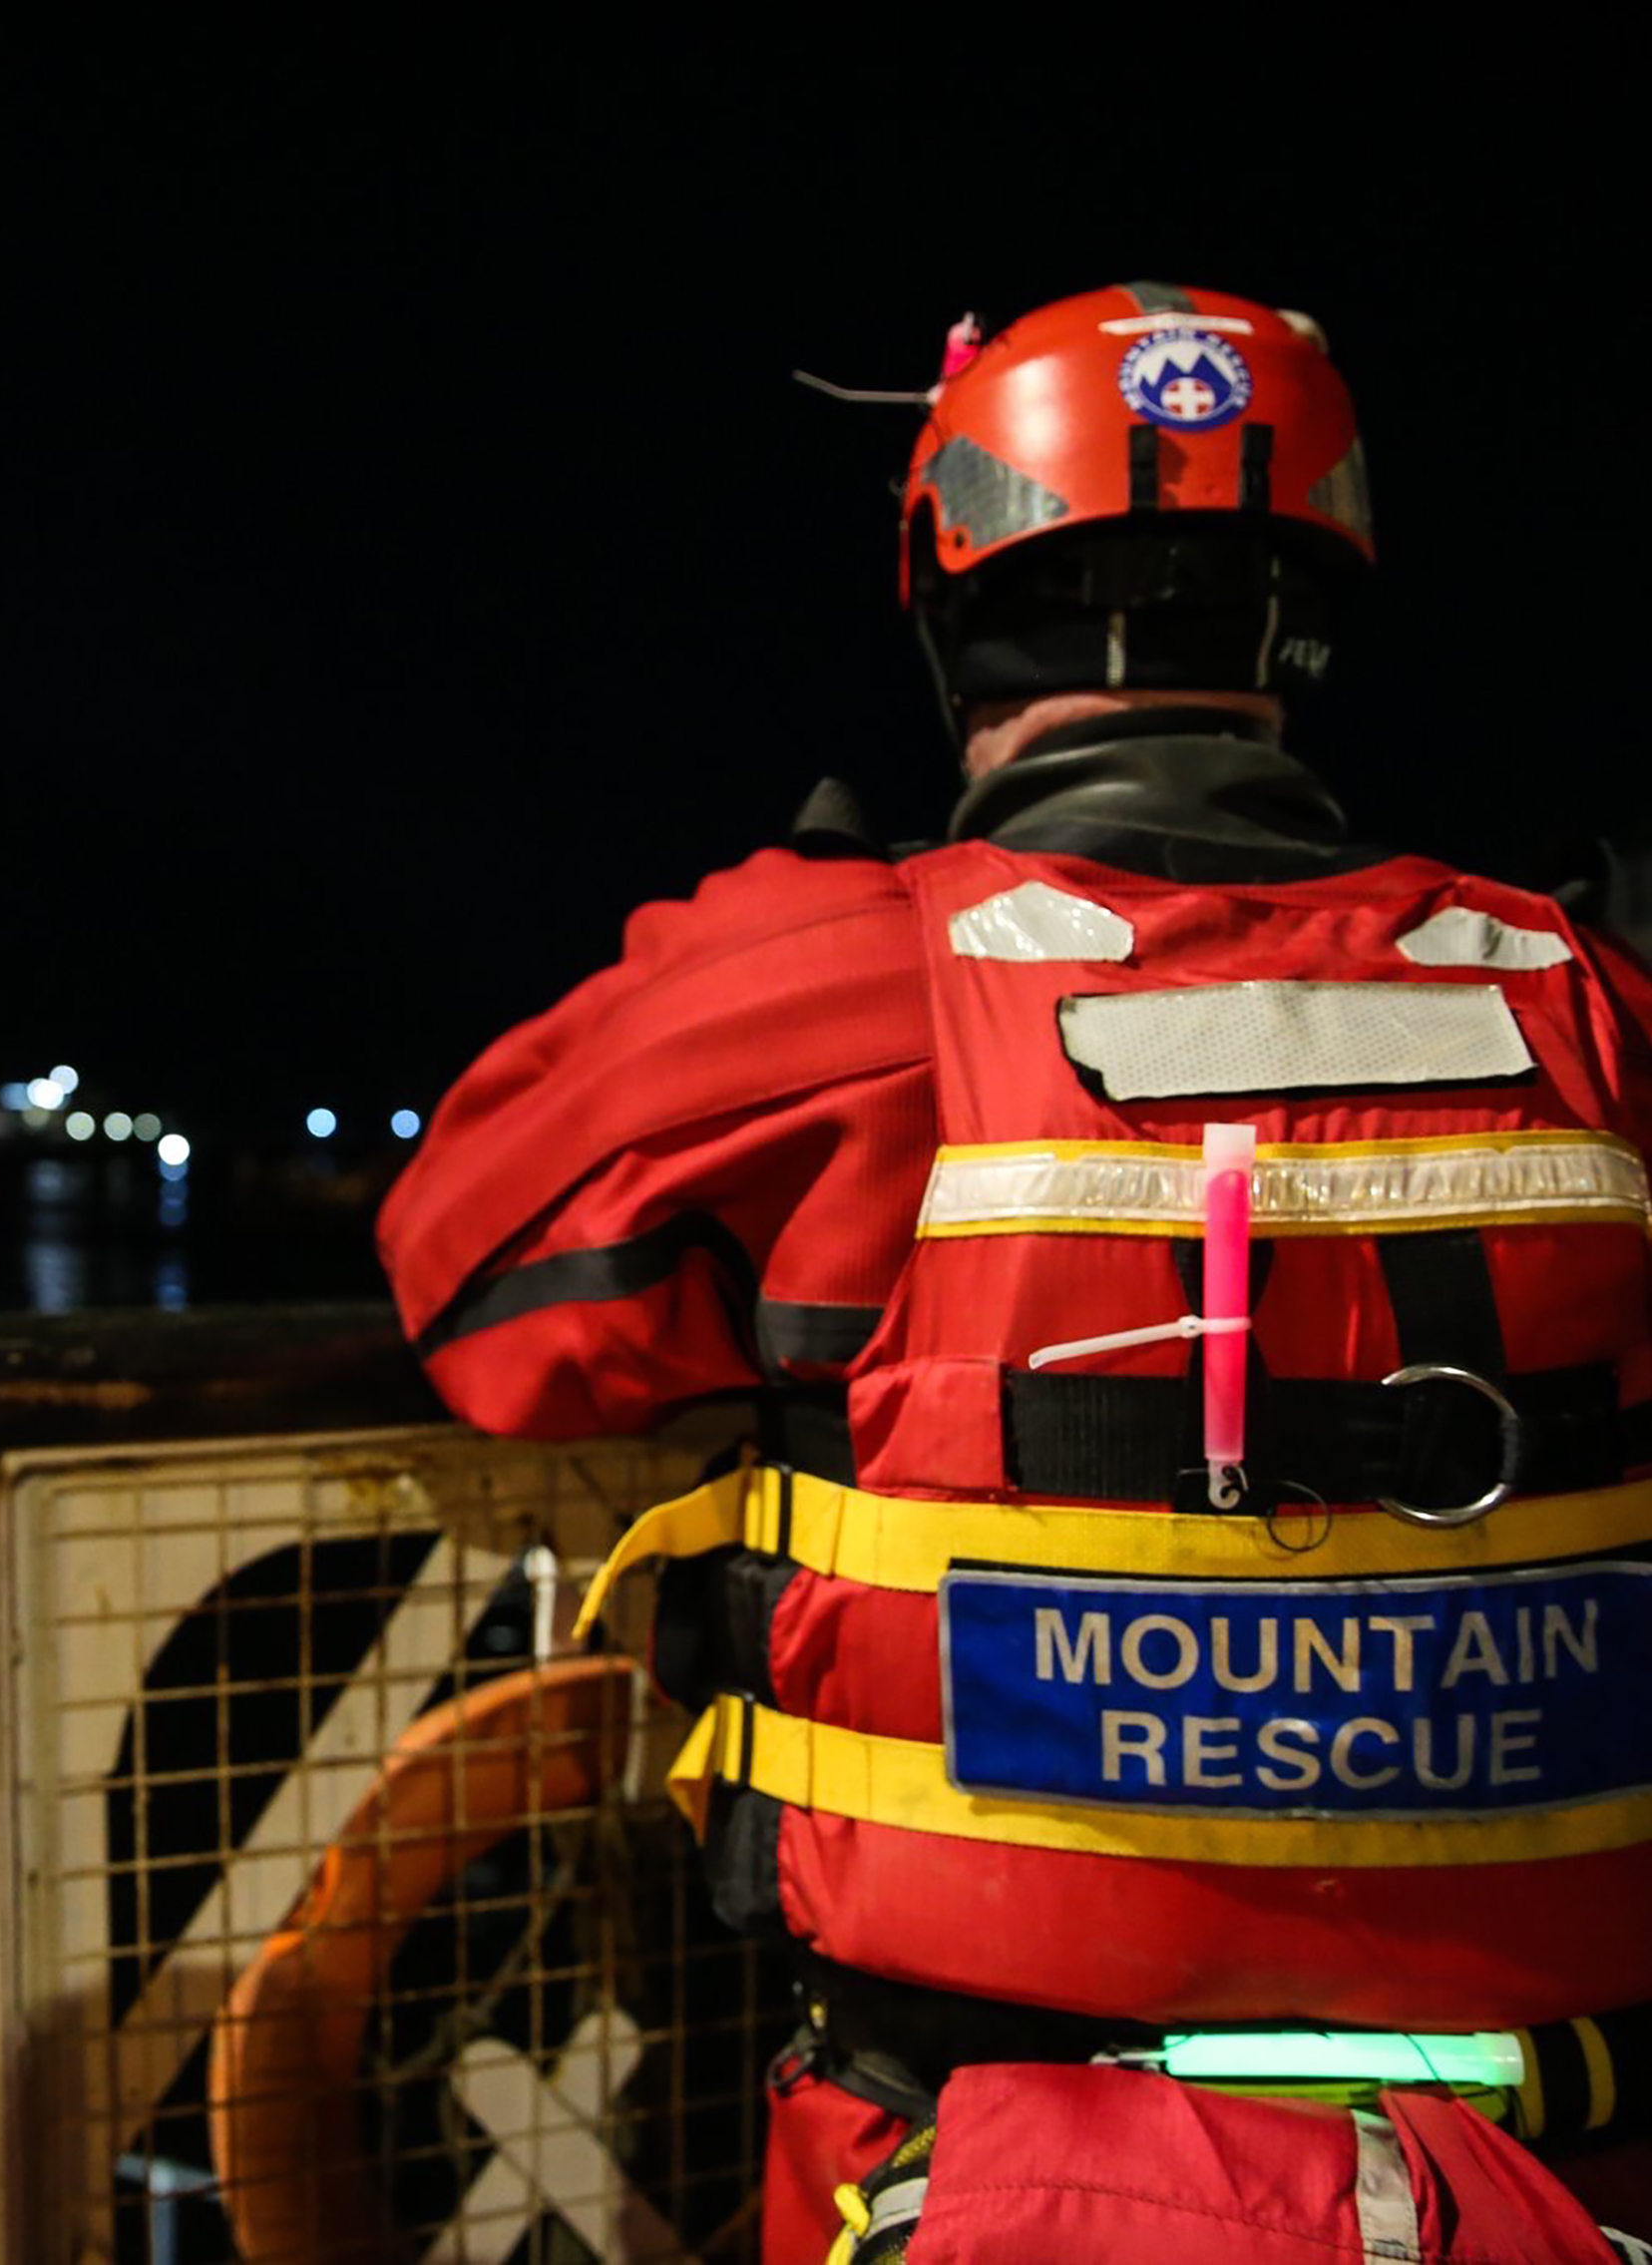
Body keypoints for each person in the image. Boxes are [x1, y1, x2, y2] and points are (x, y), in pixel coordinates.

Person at [381, 284, 1652, 2259]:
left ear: (948, 602)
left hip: (963, 2166)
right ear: (1310, 606)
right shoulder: (1593, 1006)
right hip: (1557, 2182)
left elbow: (472, 1281)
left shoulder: (837, 984)